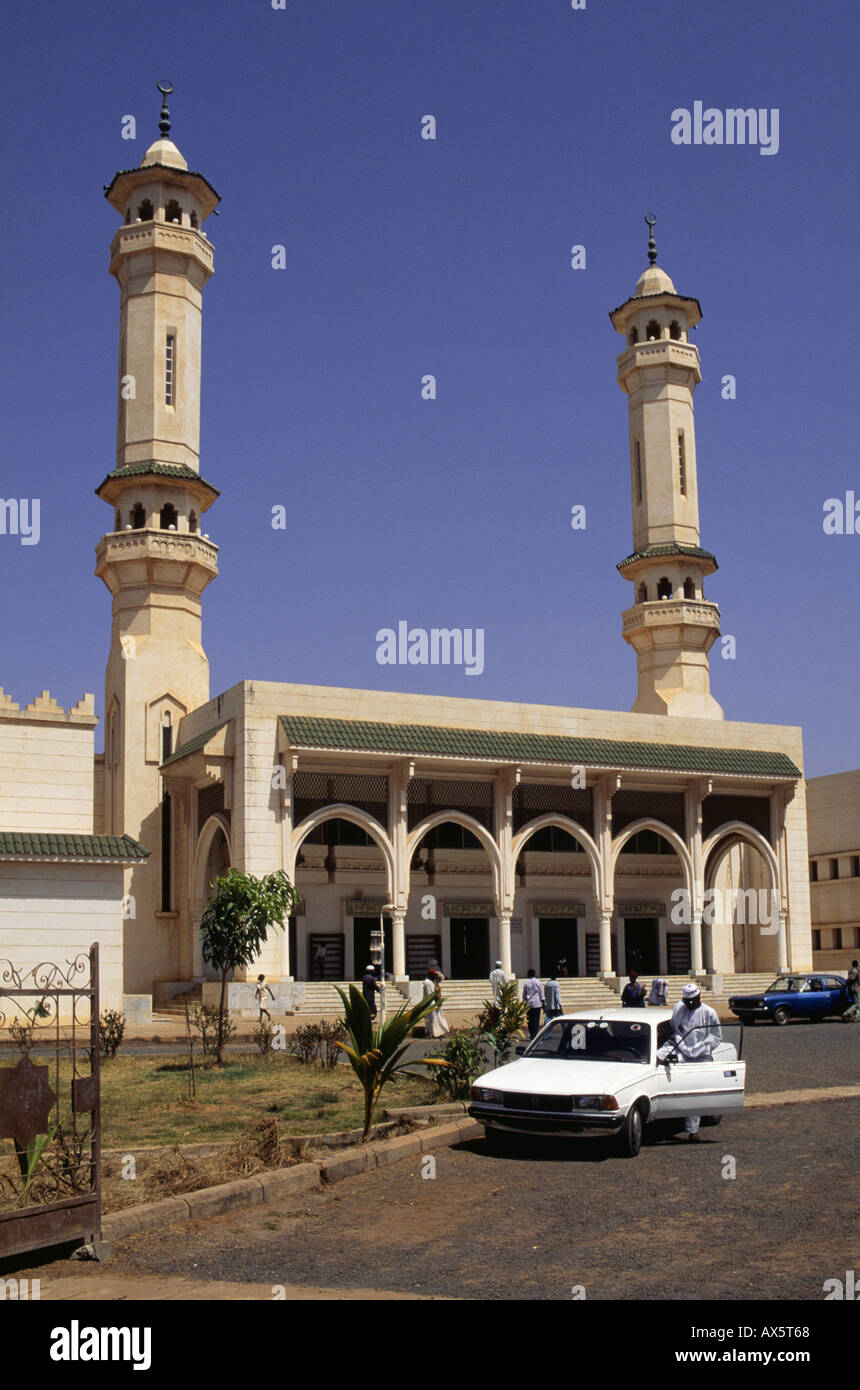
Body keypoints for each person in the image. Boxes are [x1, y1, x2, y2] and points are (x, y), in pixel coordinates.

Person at [657, 983, 722, 1142]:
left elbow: (716, 1037)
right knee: (658, 1061)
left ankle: (693, 1131)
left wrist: (702, 1047)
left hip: (702, 1055)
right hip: (682, 1050)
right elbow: (675, 1030)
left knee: (695, 1089)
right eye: (688, 1002)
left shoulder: (709, 1012)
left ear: (699, 998)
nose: (690, 1005)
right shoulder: (679, 1009)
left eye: (693, 1001)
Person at [423, 968, 450, 1038]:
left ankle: (438, 1033)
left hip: (435, 1003)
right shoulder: (427, 982)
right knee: (431, 1020)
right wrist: (434, 1003)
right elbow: (429, 994)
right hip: (430, 1003)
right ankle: (431, 1034)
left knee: (439, 1018)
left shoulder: (433, 981)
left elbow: (442, 978)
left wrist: (439, 974)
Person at [522, 969, 545, 1038]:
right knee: (536, 1020)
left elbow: (524, 994)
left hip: (529, 1004)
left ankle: (532, 1033)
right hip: (537, 1003)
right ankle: (534, 1034)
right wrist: (543, 1003)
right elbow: (541, 993)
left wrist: (524, 1003)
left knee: (529, 1020)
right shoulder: (538, 982)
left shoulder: (526, 983)